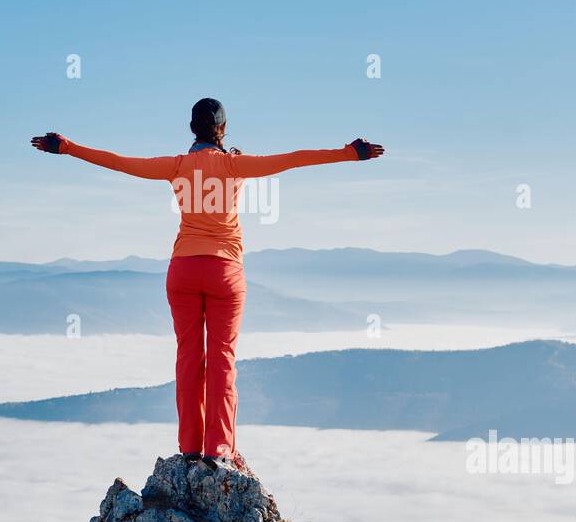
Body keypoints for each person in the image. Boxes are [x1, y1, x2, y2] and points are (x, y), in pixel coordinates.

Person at [32, 99, 383, 470]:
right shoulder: (236, 165)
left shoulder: (177, 166)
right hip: (225, 273)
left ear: (191, 128)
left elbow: (119, 162)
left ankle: (189, 448)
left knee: (188, 358)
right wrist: (350, 154)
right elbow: (295, 158)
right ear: (223, 129)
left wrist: (67, 148)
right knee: (222, 361)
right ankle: (219, 448)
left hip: (182, 270)